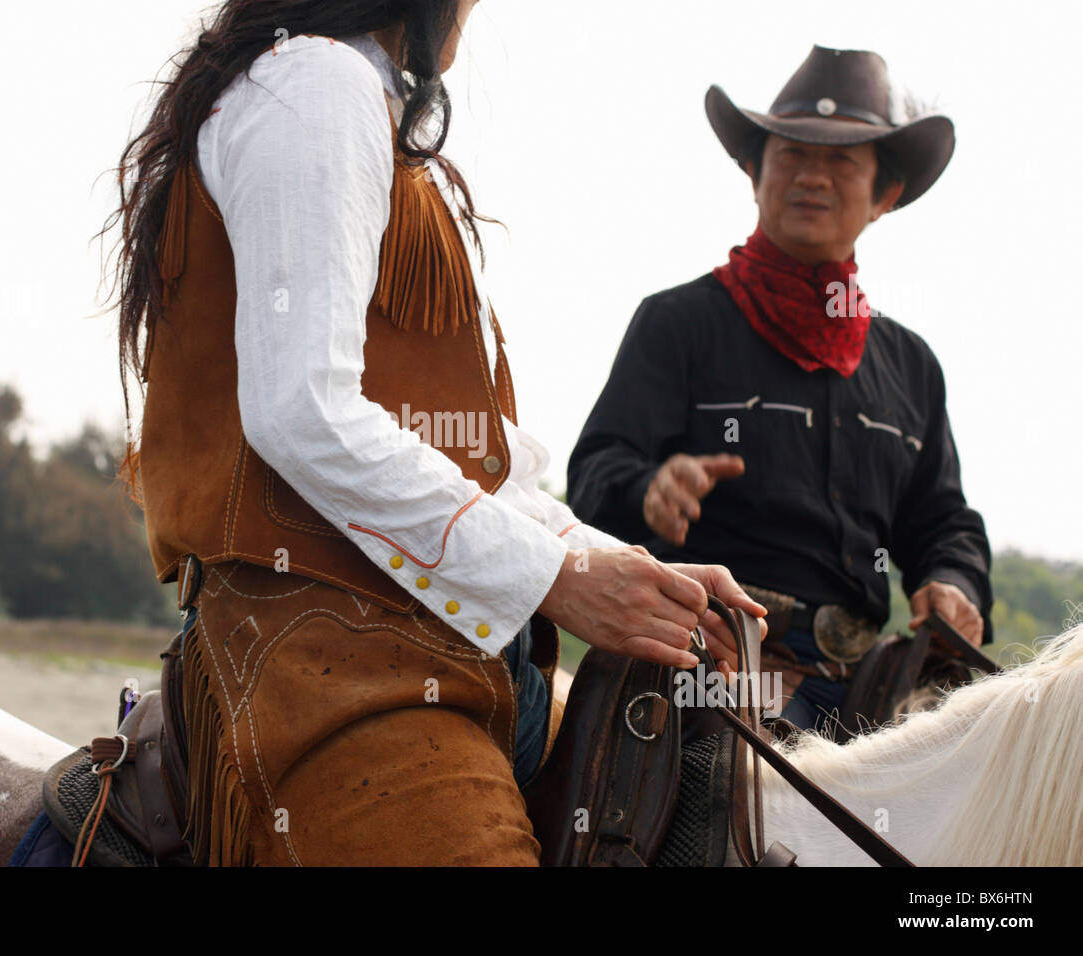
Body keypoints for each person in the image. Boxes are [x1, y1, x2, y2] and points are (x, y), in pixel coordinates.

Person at [106, 1, 764, 866]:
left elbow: (474, 468)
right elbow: (302, 413)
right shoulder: (319, 83)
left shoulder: (364, 110)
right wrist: (558, 580)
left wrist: (620, 570)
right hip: (322, 648)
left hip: (442, 650)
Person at [567, 46, 992, 735]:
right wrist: (649, 490)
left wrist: (955, 581)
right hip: (709, 660)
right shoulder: (678, 323)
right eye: (792, 157)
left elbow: (942, 520)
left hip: (868, 687)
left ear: (885, 195)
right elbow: (594, 473)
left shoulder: (911, 365)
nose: (812, 179)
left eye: (841, 164)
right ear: (753, 170)